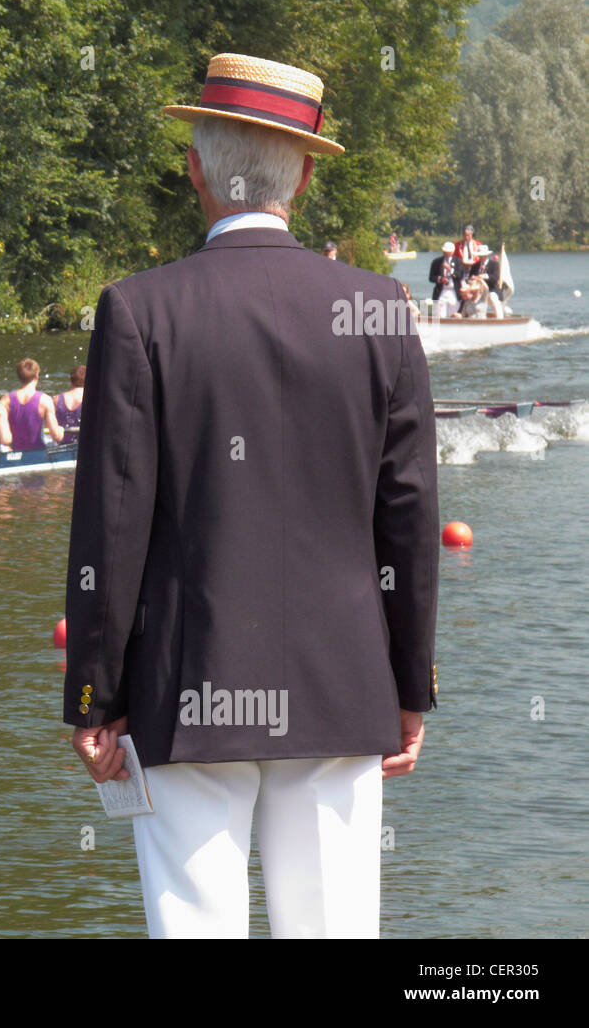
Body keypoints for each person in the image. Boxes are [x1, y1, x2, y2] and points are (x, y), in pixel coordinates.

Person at [66, 53, 438, 939]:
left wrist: (95, 695)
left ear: (193, 165)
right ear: (305, 176)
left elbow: (112, 523)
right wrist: (409, 686)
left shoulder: (138, 311)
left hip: (185, 686)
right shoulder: (380, 308)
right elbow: (411, 517)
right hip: (342, 682)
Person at [2, 358, 63, 450]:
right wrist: (61, 430)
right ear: (37, 376)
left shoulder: (5, 400)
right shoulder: (45, 400)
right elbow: (56, 436)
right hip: (38, 453)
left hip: (14, 451)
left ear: (19, 377)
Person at [54, 365, 85, 445]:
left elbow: (49, 427)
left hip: (61, 446)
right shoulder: (93, 398)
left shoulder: (56, 399)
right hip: (84, 447)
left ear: (71, 380)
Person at [428, 241, 460, 318]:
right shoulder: (436, 262)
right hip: (441, 291)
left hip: (453, 291)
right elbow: (431, 277)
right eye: (445, 252)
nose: (446, 254)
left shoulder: (458, 262)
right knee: (440, 315)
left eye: (448, 252)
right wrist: (440, 279)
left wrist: (450, 270)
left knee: (454, 314)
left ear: (452, 252)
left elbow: (460, 275)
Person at [482, 246, 506, 319]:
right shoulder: (476, 266)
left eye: (483, 256)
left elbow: (495, 277)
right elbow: (472, 276)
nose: (481, 257)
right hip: (479, 291)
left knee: (493, 299)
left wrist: (485, 276)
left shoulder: (494, 264)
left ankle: (500, 319)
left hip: (491, 289)